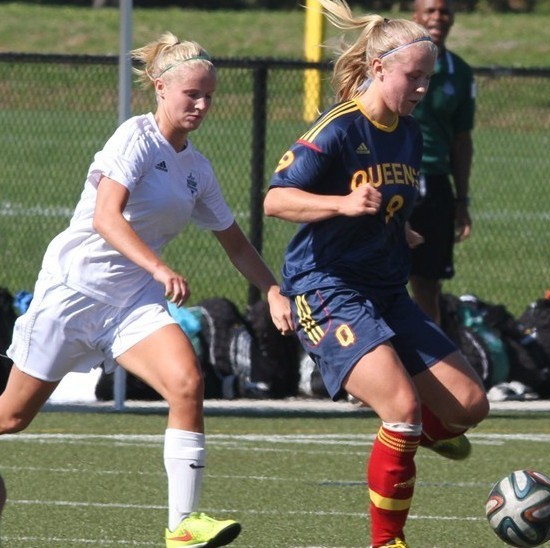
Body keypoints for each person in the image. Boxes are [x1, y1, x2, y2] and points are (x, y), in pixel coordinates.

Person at [1, 32, 292, 548]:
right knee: (13, 416)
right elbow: (106, 217)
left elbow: (235, 243)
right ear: (160, 87)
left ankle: (182, 525)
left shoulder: (197, 169)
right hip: (74, 292)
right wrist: (160, 268)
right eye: (191, 94)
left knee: (187, 382)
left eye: (209, 96)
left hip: (132, 302)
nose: (201, 105)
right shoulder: (134, 138)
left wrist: (271, 289)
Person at [263, 1, 489, 546]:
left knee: (469, 406)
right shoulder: (338, 129)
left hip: (385, 291)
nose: (422, 88)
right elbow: (275, 200)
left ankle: (413, 435)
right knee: (402, 408)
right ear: (379, 67)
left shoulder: (409, 132)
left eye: (428, 78)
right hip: (326, 290)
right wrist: (341, 205)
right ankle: (388, 541)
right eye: (414, 77)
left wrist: (399, 228)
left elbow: (387, 200)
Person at [408, 0, 475, 324]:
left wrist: (461, 201)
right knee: (374, 276)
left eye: (444, 11)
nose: (437, 17)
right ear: (415, 15)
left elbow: (462, 140)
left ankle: (427, 352)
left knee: (427, 283)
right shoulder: (393, 62)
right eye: (430, 10)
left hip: (435, 185)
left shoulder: (460, 72)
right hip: (390, 178)